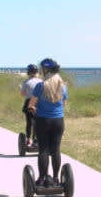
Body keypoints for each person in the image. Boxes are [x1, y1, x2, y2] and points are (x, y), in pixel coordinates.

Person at [27, 58, 67, 186]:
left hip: (43, 121)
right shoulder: (63, 86)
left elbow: (31, 104)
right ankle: (55, 178)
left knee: (43, 150)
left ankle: (42, 178)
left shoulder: (40, 86)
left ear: (45, 70)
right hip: (58, 121)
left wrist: (33, 108)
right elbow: (63, 104)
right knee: (55, 150)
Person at [19, 64, 41, 146]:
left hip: (29, 102)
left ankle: (28, 139)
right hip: (39, 102)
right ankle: (36, 140)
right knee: (37, 121)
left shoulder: (26, 82)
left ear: (28, 72)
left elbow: (22, 94)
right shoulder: (40, 81)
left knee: (29, 122)